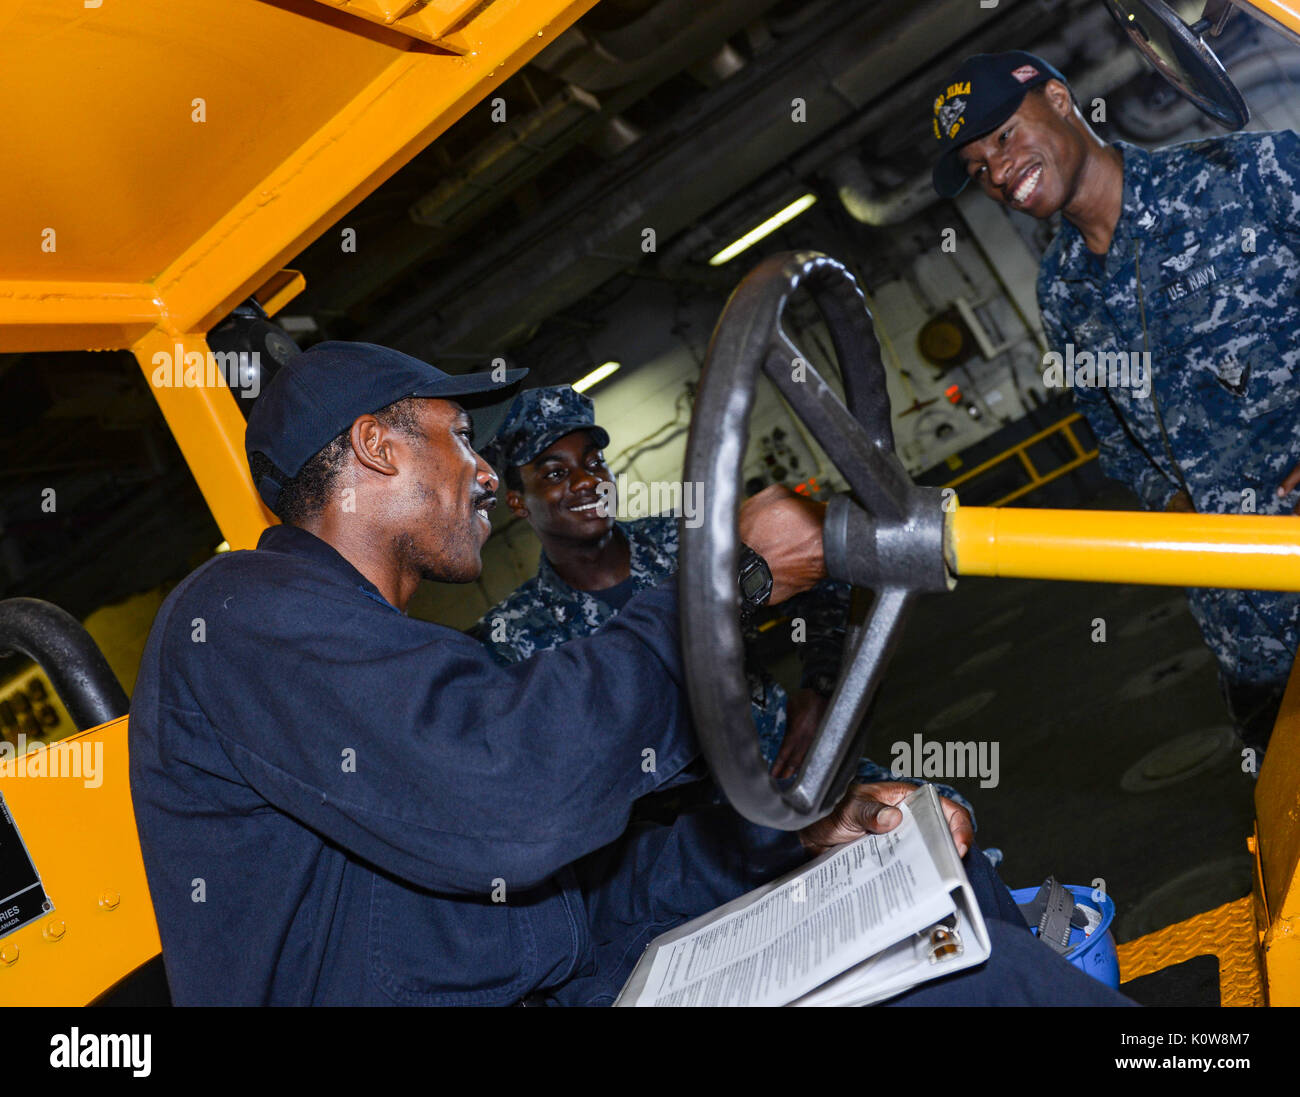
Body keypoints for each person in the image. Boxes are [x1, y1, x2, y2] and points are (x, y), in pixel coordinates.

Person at [128, 340, 1128, 1005]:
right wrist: (723, 581)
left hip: (585, 981)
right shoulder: (238, 619)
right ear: (377, 448)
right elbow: (518, 804)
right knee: (966, 994)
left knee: (956, 917)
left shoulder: (405, 657)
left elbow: (576, 891)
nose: (484, 473)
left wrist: (791, 837)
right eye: (462, 438)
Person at [930, 51, 1300, 751]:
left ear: (1062, 100)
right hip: (1252, 644)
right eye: (978, 167)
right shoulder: (1062, 293)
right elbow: (1113, 437)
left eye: (1004, 136)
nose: (999, 173)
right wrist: (1173, 508)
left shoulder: (1244, 177)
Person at [471, 385, 971, 813]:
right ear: (517, 500)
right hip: (677, 839)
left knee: (937, 820)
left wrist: (820, 691)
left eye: (593, 462)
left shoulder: (691, 541)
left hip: (789, 771)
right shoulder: (513, 635)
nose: (585, 481)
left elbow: (826, 579)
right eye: (554, 473)